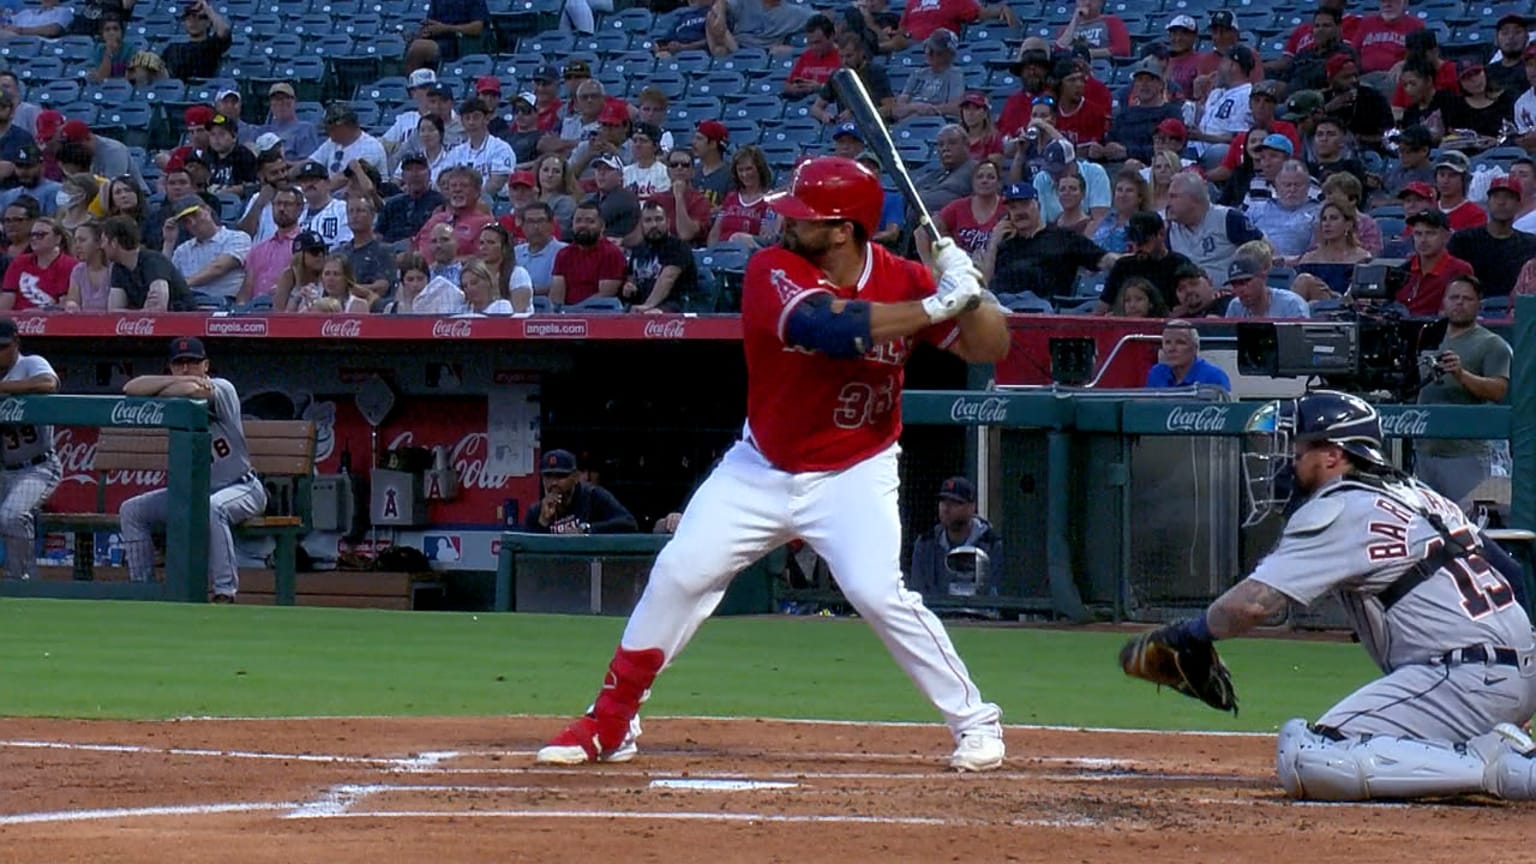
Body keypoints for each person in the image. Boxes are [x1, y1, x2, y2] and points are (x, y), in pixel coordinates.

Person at [534, 157, 1011, 772]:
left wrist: (972, 294)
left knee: (876, 592)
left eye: (804, 218)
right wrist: (940, 305)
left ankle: (976, 722)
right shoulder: (772, 268)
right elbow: (827, 328)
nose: (787, 224)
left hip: (854, 470)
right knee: (680, 572)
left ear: (843, 230)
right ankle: (610, 722)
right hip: (760, 467)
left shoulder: (907, 280)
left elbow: (991, 345)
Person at [1139, 390, 1536, 803]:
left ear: (1333, 455)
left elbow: (1252, 604)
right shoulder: (1419, 495)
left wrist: (1191, 635)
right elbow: (1511, 573)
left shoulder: (1342, 505)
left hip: (1463, 677)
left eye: (1299, 448)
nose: (1288, 462)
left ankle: (1505, 770)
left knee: (1311, 755)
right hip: (1505, 673)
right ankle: (1495, 746)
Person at [120, 337, 268, 604]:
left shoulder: (223, 387)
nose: (186, 368)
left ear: (206, 365)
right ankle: (142, 588)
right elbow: (132, 387)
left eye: (193, 363)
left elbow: (197, 394)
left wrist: (168, 387)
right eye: (179, 363)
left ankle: (225, 591)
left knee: (213, 507)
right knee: (131, 511)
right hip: (194, 493)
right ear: (171, 367)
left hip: (242, 487)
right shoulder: (177, 386)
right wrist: (176, 384)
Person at [1414, 275, 1512, 508]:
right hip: (1424, 448)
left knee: (1470, 523)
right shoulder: (1425, 337)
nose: (1459, 303)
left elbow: (1498, 390)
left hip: (1466, 452)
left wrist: (1461, 374)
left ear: (1479, 303)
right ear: (1444, 302)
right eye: (1454, 297)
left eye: (1467, 298)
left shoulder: (1492, 344)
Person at [0, 319, 61, 582]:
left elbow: (49, 383)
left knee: (12, 516)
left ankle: (22, 581)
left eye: (2, 346)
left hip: (38, 467)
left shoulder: (29, 363)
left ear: (16, 343)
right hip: (4, 470)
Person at [906, 476, 1004, 607]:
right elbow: (917, 594)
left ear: (972, 507)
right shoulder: (925, 543)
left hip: (982, 622)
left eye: (955, 503)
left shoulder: (992, 544)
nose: (946, 508)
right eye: (943, 501)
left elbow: (998, 596)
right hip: (936, 621)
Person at [521, 449, 637, 534]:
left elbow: (629, 523)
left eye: (561, 476)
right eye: (548, 476)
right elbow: (526, 550)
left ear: (575, 477)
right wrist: (543, 523)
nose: (554, 483)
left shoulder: (593, 497)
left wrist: (586, 529)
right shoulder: (536, 511)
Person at [1222, 240, 1309, 318]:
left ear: (1262, 276)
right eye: (1234, 284)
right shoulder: (1235, 307)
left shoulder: (1291, 304)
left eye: (1245, 282)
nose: (1240, 290)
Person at [1145, 319, 1231, 390]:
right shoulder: (1156, 373)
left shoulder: (1214, 377)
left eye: (1180, 342)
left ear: (1195, 347)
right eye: (1167, 343)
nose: (1172, 348)